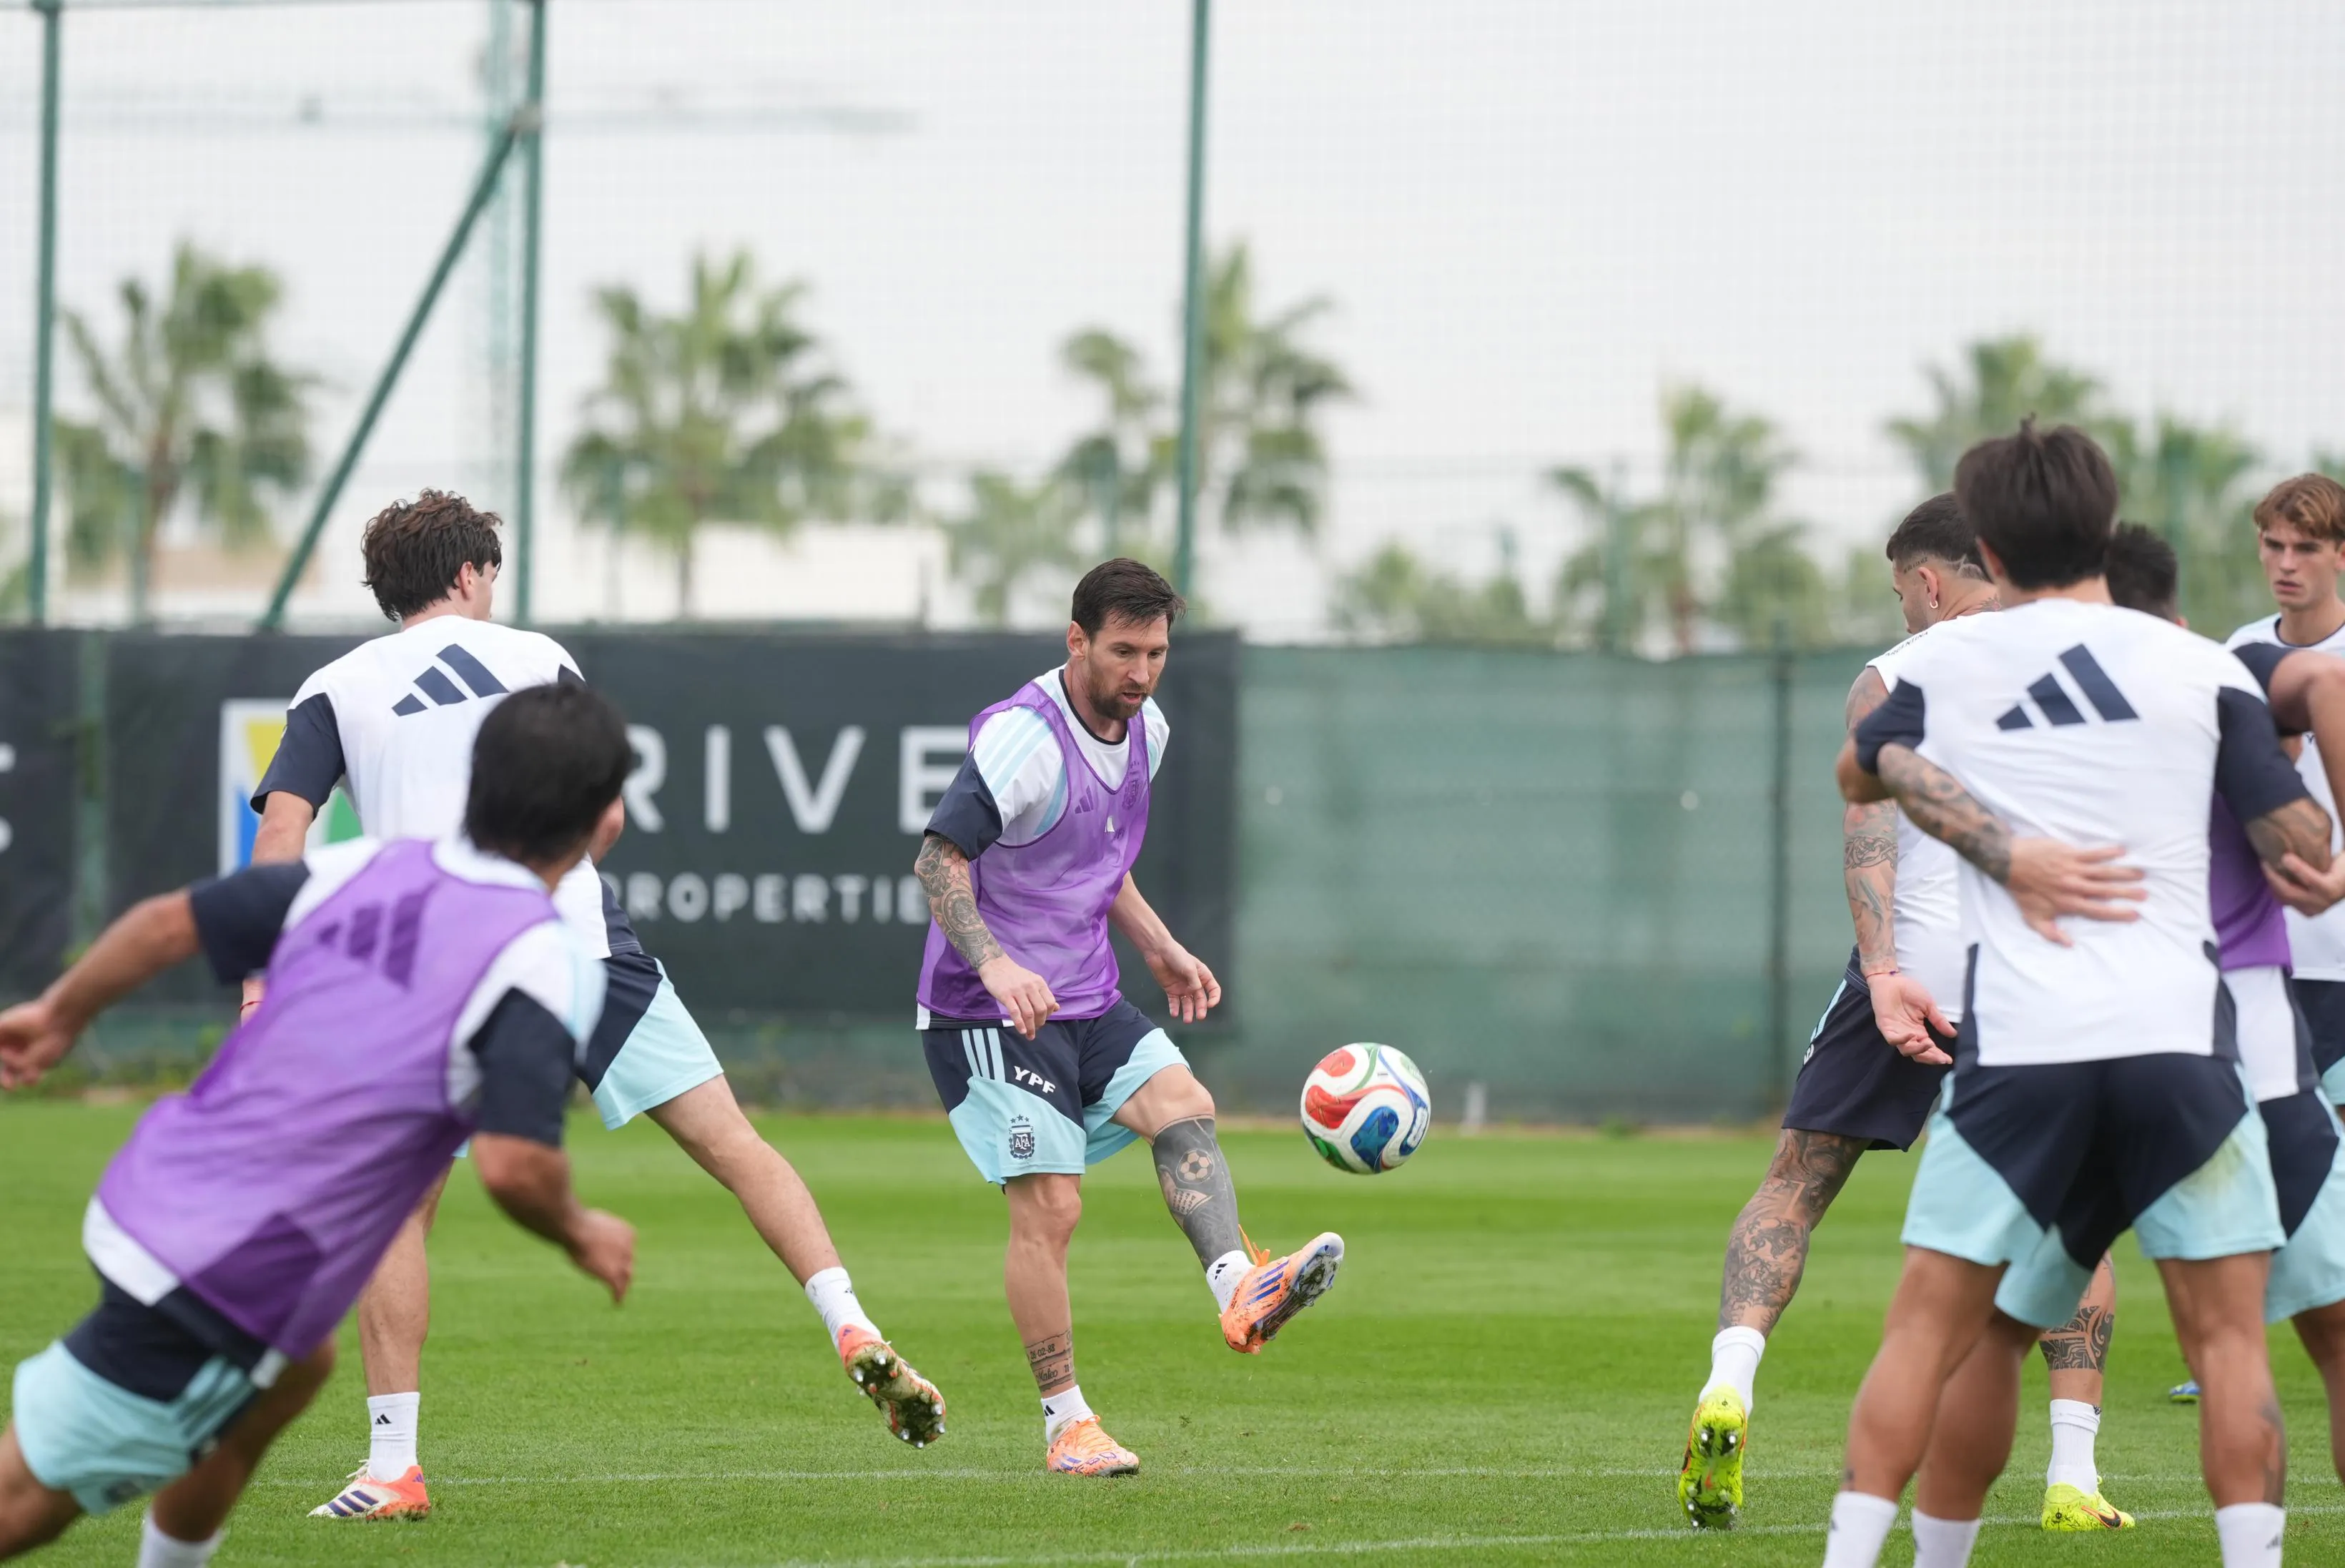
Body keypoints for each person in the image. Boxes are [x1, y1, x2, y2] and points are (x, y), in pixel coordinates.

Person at [250, 492, 941, 1522]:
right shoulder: (537, 657)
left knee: (396, 1209)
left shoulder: (332, 686)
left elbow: (282, 842)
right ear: (472, 574)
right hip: (579, 944)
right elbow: (607, 811)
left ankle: (393, 1463)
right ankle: (850, 1320)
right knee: (736, 1145)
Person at [1827, 421, 2326, 1568]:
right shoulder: (2203, 668)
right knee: (2227, 1341)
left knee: (1938, 1331)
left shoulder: (1944, 660)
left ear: (1985, 545)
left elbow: (1863, 767)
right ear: (2109, 528)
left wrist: (2002, 846)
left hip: (2024, 1053)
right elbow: (2291, 843)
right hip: (2179, 1047)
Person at [0, 684, 639, 1567]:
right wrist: (582, 1229)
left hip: (171, 1185)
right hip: (222, 1256)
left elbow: (164, 923)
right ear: (604, 821)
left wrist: (61, 1013)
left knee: (297, 1369)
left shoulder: (372, 865)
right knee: (22, 1505)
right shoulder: (544, 954)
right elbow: (514, 1166)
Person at [1679, 495, 2130, 1532]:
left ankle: (1731, 1386)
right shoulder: (2084, 657)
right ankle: (2073, 1474)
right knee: (2071, 1213)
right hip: (2034, 982)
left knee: (1798, 1182)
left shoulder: (1894, 675)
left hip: (1910, 968)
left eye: (1899, 592)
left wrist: (1882, 971)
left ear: (1930, 580)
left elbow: (1868, 830)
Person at [910, 557, 1343, 1477]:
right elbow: (939, 863)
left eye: (1155, 652)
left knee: (1183, 1103)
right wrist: (994, 964)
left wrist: (1157, 942)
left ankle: (1240, 1289)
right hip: (983, 1015)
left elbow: (1097, 862)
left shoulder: (1149, 730)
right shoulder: (1022, 741)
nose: (1140, 672)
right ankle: (1066, 1422)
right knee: (1053, 1208)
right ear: (1077, 641)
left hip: (1088, 994)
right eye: (1121, 651)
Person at [2105, 523, 2345, 1484]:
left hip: (2085, 1031)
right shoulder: (2227, 668)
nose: (2285, 561)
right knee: (2316, 1335)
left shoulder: (2013, 692)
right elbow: (2322, 694)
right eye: (2272, 544)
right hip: (2249, 1014)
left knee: (1963, 1323)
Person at [2227, 474, 2345, 1109]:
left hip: (2342, 956)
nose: (2286, 563)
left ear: (2342, 554)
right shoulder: (2237, 653)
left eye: (2305, 548)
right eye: (2274, 545)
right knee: (2266, 1158)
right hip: (2264, 954)